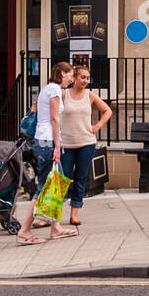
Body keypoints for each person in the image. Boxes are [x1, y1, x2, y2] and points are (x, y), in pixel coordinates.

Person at [16, 63, 77, 244]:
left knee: (57, 183)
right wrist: (58, 146)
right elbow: (53, 119)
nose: (71, 79)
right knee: (44, 186)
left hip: (42, 141)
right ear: (62, 74)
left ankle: (55, 227)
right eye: (70, 75)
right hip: (48, 141)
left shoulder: (46, 89)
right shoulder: (55, 90)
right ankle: (24, 230)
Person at [59, 64, 113, 226]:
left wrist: (97, 126)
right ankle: (51, 215)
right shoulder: (63, 94)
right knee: (61, 179)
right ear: (74, 78)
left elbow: (108, 111)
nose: (85, 81)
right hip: (66, 144)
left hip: (86, 143)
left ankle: (74, 213)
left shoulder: (90, 95)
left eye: (87, 78)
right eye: (82, 77)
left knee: (81, 179)